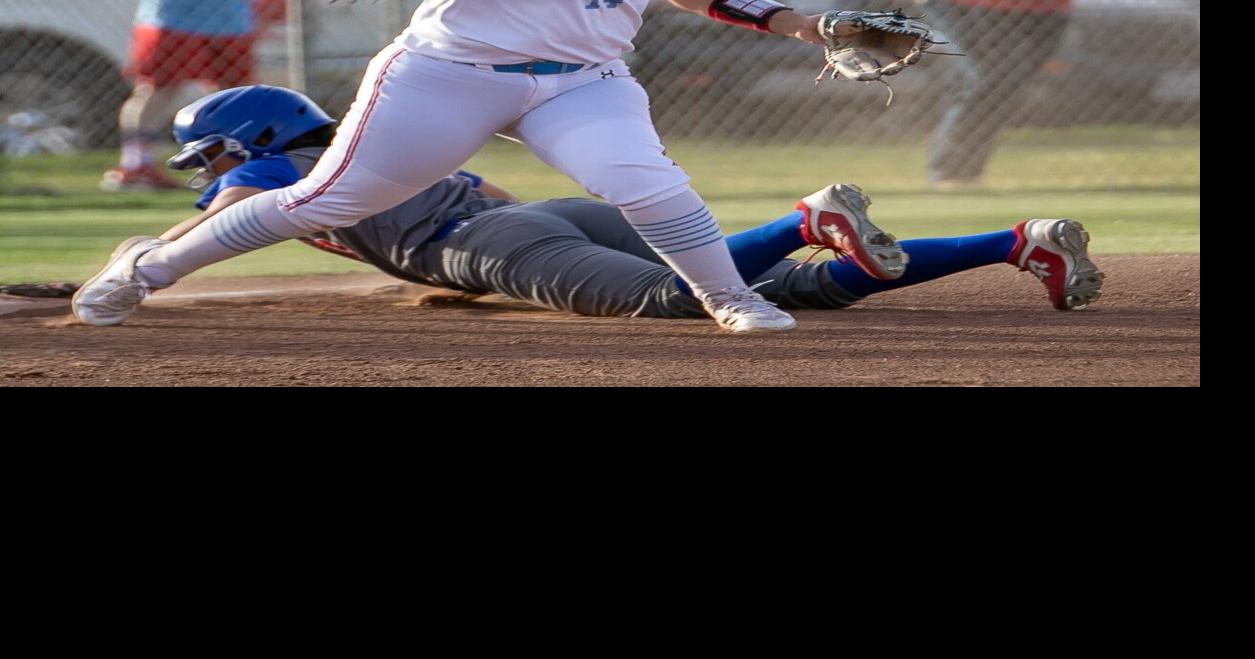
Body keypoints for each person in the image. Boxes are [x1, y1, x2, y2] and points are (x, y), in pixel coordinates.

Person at [73, 1, 912, 334]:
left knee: (648, 182)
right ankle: (149, 267)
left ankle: (730, 300)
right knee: (327, 198)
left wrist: (797, 25)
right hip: (445, 77)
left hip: (581, 84)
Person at [73, 86, 1104, 326]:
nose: (205, 164)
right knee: (801, 294)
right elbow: (497, 190)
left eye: (210, 149)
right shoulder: (370, 135)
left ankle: (804, 216)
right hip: (530, 214)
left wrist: (137, 253)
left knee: (678, 302)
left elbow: (202, 229)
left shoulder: (260, 176)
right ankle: (1020, 240)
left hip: (480, 241)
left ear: (245, 141)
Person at [102, 0, 259, 191]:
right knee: (158, 88)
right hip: (171, 19)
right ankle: (136, 167)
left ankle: (223, 164)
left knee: (232, 94)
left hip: (231, 21)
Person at [927, 0, 1073, 186]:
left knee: (1007, 85)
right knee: (985, 79)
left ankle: (965, 173)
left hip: (1047, 9)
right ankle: (952, 171)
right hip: (970, 6)